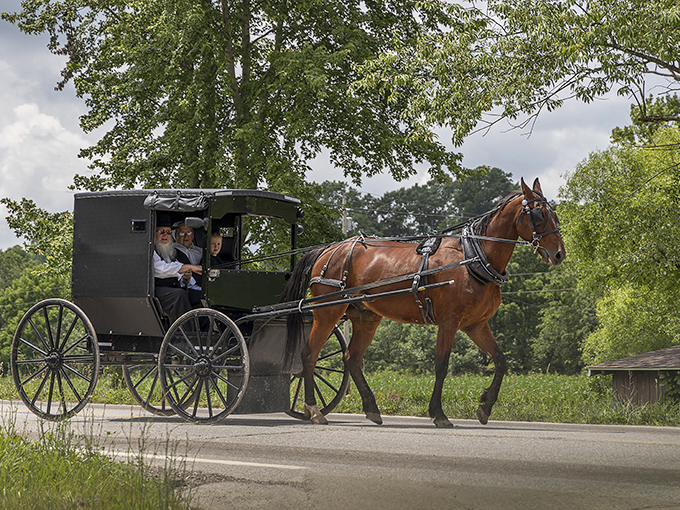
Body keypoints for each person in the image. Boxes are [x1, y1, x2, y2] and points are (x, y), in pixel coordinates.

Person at [153, 214, 202, 324]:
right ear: (154, 233)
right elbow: (160, 270)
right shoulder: (152, 250)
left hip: (171, 287)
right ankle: (187, 333)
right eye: (161, 232)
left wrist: (186, 278)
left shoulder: (171, 251)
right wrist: (189, 267)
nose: (165, 235)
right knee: (179, 295)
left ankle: (206, 330)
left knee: (198, 295)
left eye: (168, 232)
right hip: (156, 289)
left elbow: (177, 272)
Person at [173, 222, 203, 306]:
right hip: (188, 288)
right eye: (182, 233)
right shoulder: (173, 251)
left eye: (189, 232)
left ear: (193, 235)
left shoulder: (201, 251)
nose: (186, 236)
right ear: (175, 235)